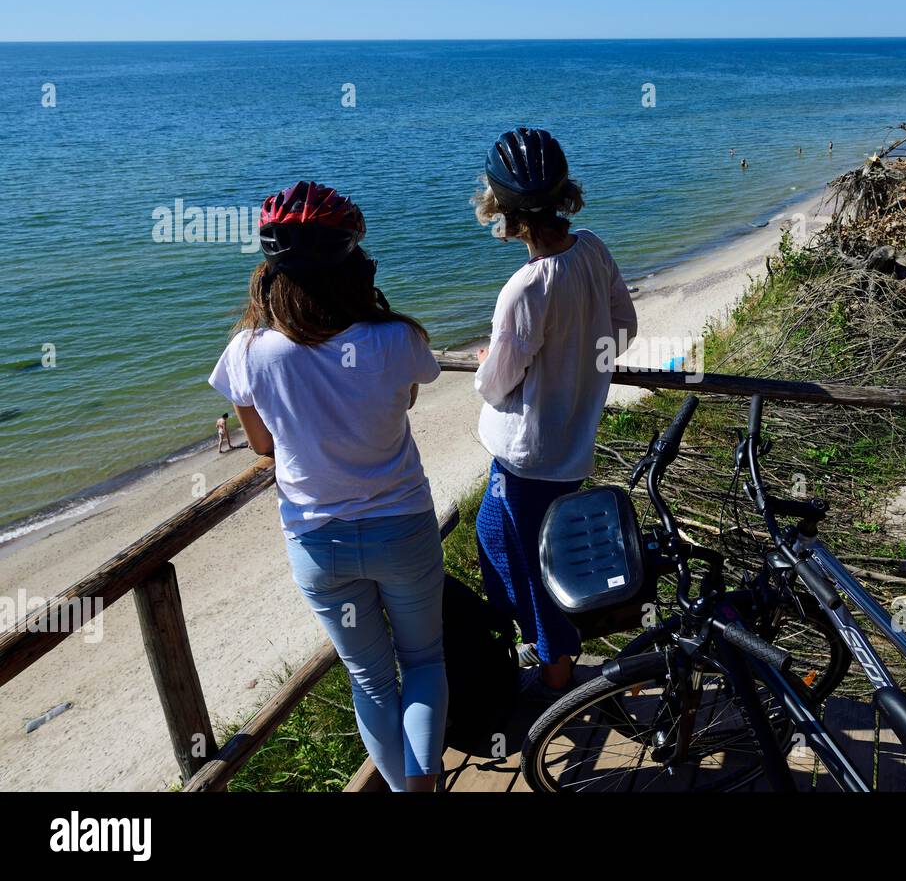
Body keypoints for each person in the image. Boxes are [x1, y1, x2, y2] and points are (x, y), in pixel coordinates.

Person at [209, 181, 447, 792]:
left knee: (369, 679)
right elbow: (407, 397)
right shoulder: (398, 338)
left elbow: (261, 445)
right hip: (402, 529)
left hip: (318, 543)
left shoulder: (249, 351)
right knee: (422, 662)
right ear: (353, 262)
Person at [471, 127, 637, 698]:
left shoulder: (524, 287)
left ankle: (555, 670)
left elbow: (497, 385)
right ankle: (554, 651)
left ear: (504, 212)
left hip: (527, 456)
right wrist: (578, 364)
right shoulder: (591, 248)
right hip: (573, 442)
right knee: (548, 556)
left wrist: (491, 361)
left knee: (514, 557)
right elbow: (624, 328)